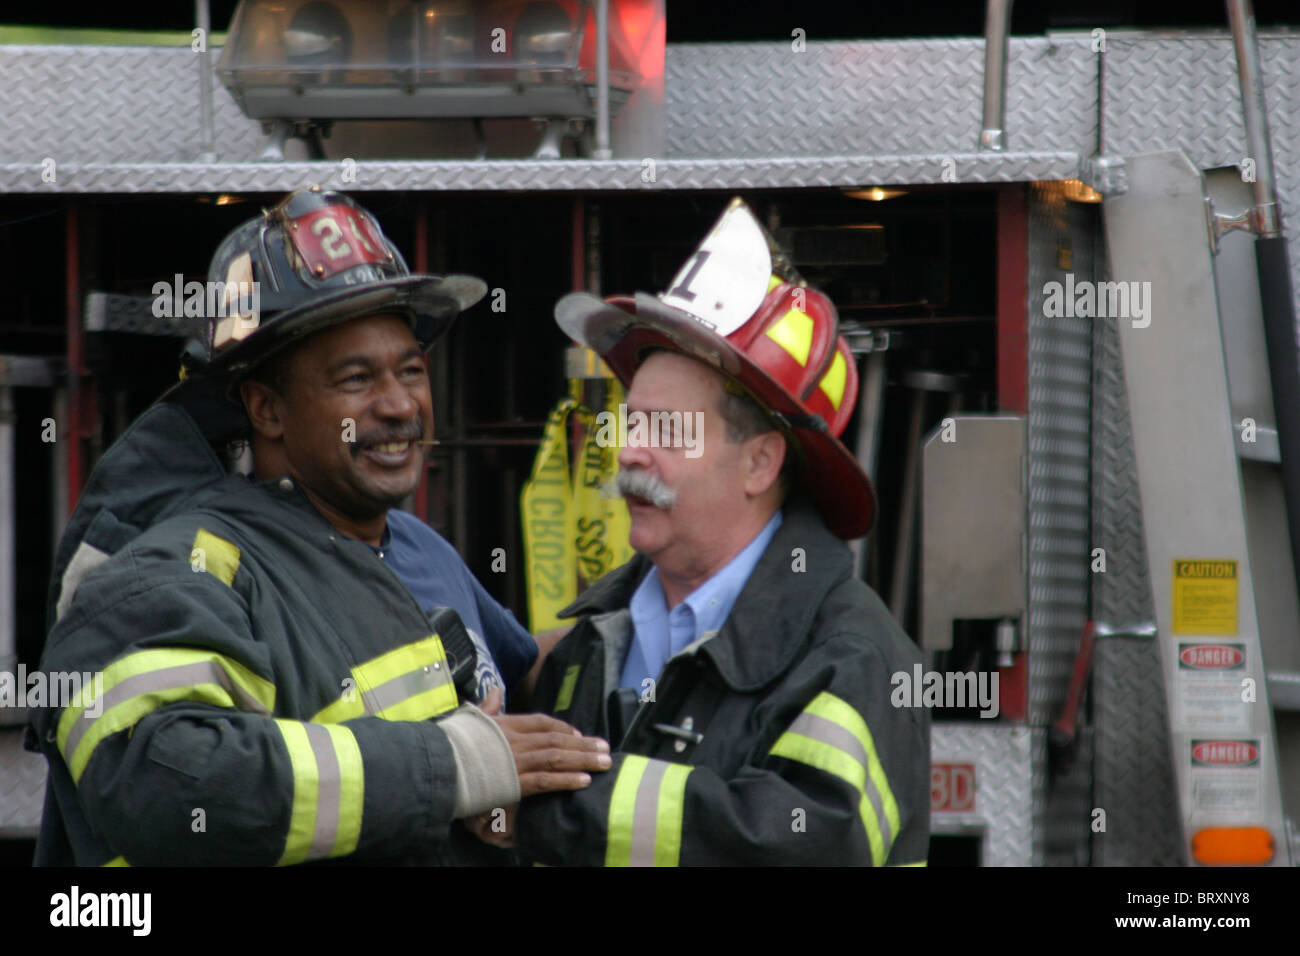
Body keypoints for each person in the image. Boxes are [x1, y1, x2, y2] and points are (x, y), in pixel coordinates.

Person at [30, 187, 609, 866]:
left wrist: (683, 599)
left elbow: (519, 670)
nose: (399, 405)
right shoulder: (177, 570)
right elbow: (169, 783)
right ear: (267, 409)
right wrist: (452, 766)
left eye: (411, 370)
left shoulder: (413, 543)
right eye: (356, 379)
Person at [479, 198, 929, 865]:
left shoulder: (855, 662)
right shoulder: (586, 646)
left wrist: (546, 813)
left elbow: (797, 846)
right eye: (632, 423)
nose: (630, 451)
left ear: (759, 462)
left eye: (666, 430)